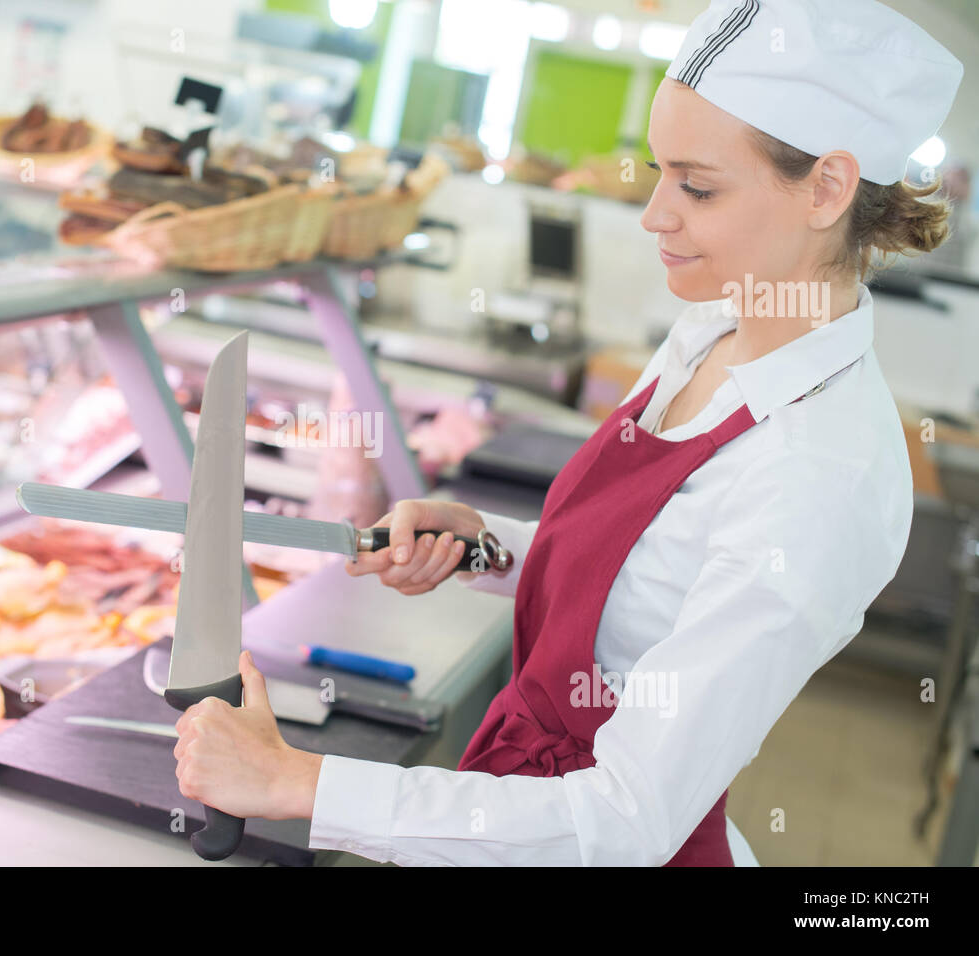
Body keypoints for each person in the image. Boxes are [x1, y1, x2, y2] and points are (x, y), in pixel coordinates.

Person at [168, 0, 964, 865]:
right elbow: (652, 588)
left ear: (829, 189)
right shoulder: (716, 328)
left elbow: (624, 819)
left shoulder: (821, 470)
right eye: (659, 172)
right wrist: (493, 550)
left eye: (697, 186)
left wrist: (295, 783)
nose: (656, 213)